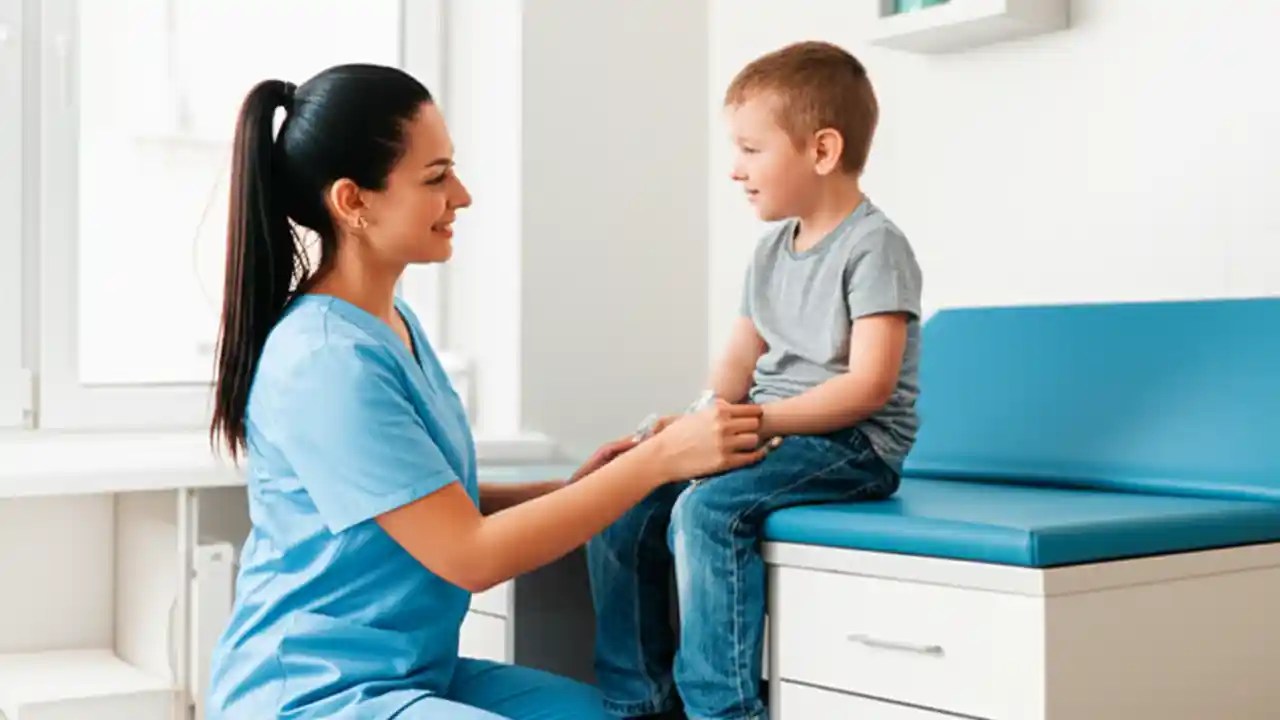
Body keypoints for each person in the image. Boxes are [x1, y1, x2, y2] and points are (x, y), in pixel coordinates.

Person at [204, 63, 770, 720]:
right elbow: (468, 554)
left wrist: (572, 491)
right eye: (436, 177)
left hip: (415, 671)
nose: (463, 195)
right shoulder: (327, 360)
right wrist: (660, 462)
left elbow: (425, 501)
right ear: (353, 202)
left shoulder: (393, 325)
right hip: (314, 696)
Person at [586, 41, 924, 720]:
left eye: (750, 149)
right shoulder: (771, 249)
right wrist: (684, 429)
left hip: (852, 445)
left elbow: (867, 388)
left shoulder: (874, 246)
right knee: (621, 499)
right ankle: (637, 704)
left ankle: (722, 709)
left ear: (821, 151)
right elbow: (734, 370)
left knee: (708, 510)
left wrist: (755, 422)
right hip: (773, 432)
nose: (735, 171)